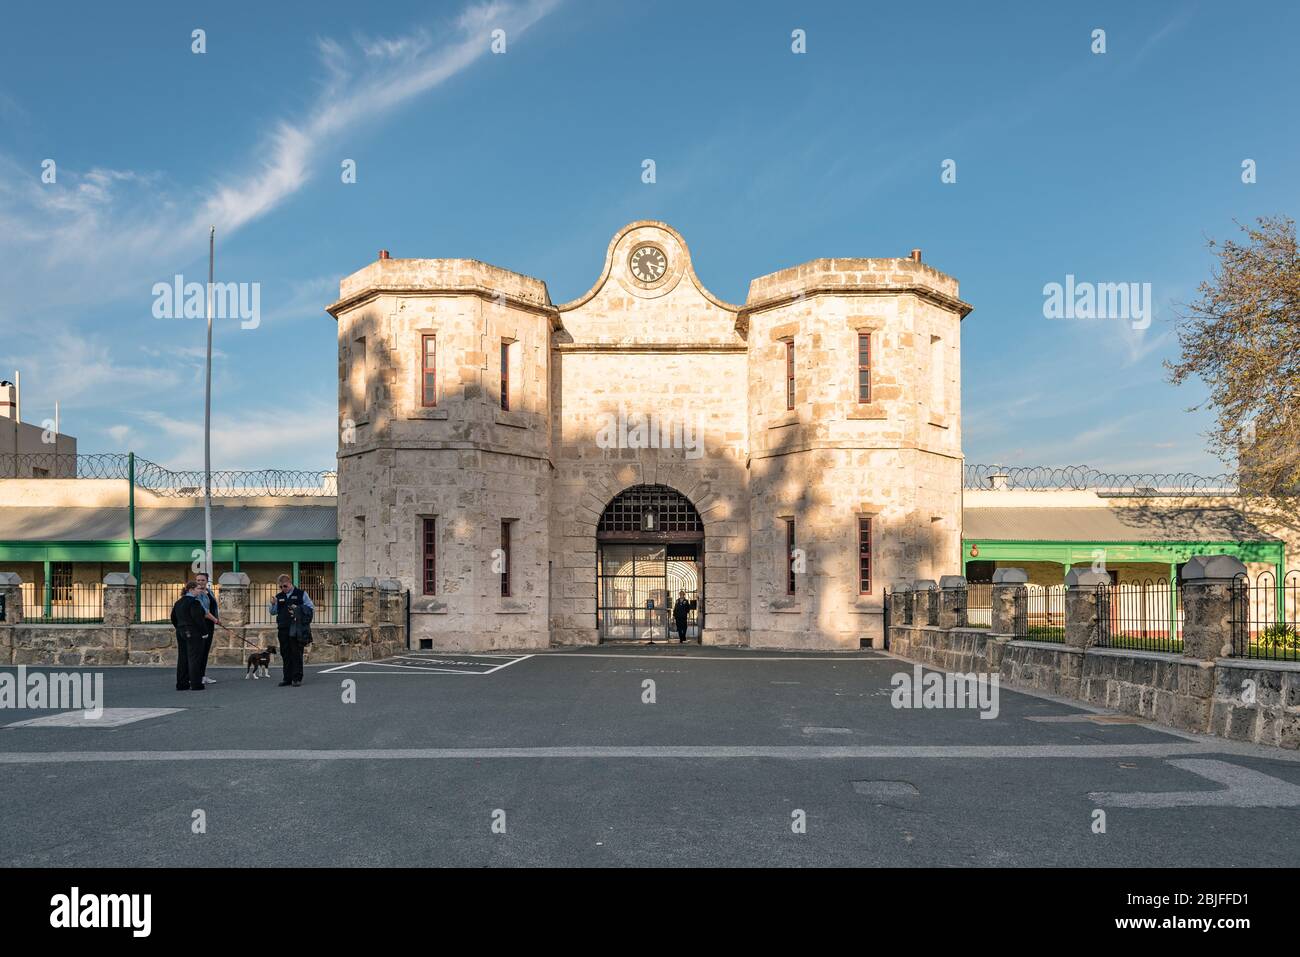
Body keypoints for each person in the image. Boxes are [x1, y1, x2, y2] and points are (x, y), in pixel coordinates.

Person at [268, 574, 314, 687]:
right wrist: (273, 604)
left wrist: (298, 609)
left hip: (296, 629)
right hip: (283, 629)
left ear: (290, 583)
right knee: (285, 653)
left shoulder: (301, 594)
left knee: (296, 653)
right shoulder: (279, 596)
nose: (283, 589)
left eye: (285, 586)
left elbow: (310, 608)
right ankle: (287, 678)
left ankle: (297, 678)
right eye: (281, 587)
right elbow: (273, 612)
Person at [170, 581, 209, 691]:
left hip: (181, 631)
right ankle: (196, 684)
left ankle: (182, 683)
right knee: (194, 658)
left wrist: (179, 627)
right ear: (191, 590)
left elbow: (173, 617)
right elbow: (198, 619)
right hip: (193, 631)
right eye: (198, 589)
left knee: (183, 657)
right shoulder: (194, 602)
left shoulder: (178, 602)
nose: (200, 591)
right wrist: (204, 632)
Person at [193, 571, 222, 685]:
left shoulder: (209, 592)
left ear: (207, 581)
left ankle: (202, 675)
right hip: (201, 624)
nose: (200, 582)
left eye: (202, 580)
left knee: (205, 651)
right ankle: (196, 676)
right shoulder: (197, 594)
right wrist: (215, 620)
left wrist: (216, 619)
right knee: (199, 651)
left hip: (209, 625)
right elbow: (204, 611)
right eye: (198, 580)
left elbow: (214, 607)